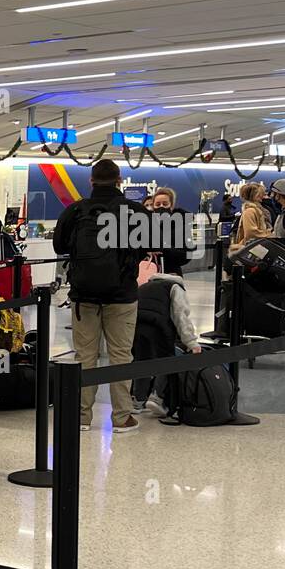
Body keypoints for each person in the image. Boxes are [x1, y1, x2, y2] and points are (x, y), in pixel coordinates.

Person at [52, 158, 143, 433]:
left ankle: (81, 416)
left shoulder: (76, 211)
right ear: (120, 180)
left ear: (91, 181)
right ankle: (122, 417)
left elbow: (59, 246)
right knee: (120, 355)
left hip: (84, 296)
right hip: (123, 295)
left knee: (85, 355)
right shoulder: (135, 211)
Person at [132, 259, 201, 414]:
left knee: (141, 361)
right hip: (158, 327)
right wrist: (191, 342)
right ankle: (157, 396)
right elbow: (180, 316)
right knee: (166, 360)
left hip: (136, 325)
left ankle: (138, 400)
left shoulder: (145, 286)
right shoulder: (175, 287)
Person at [150, 186, 189, 275]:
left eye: (165, 203)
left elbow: (185, 256)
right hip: (148, 274)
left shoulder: (180, 226)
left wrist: (164, 248)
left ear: (171, 205)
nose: (161, 206)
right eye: (158, 204)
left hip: (171, 275)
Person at [230, 182, 273, 251]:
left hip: (254, 248)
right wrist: (269, 234)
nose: (263, 195)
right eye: (261, 193)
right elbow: (251, 233)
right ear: (254, 195)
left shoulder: (256, 210)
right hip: (250, 249)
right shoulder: (250, 211)